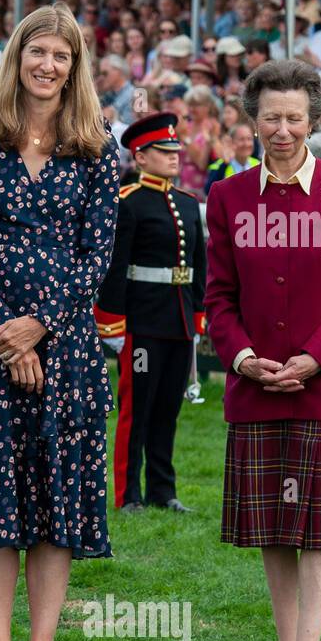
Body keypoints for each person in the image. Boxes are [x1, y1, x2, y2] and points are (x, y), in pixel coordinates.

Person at [0, 2, 119, 641]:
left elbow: (96, 255)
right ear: (17, 59)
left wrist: (40, 324)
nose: (47, 66)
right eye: (37, 52)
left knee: (57, 494)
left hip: (67, 346)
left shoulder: (98, 144)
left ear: (75, 69)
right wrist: (9, 337)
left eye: (61, 56)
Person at [204, 60, 321, 641]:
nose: (282, 129)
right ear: (253, 120)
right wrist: (245, 358)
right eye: (271, 117)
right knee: (273, 526)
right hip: (256, 386)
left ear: (317, 120)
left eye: (294, 118)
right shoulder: (226, 197)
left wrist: (314, 358)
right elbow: (218, 298)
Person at [96, 112, 205, 513]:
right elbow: (114, 266)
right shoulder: (128, 203)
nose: (174, 157)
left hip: (177, 319)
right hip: (141, 322)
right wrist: (111, 320)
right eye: (163, 151)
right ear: (140, 157)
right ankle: (129, 494)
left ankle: (164, 490)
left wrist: (197, 315)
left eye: (176, 150)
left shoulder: (188, 204)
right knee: (136, 409)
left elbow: (198, 264)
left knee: (167, 408)